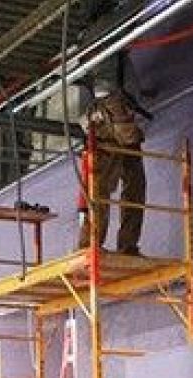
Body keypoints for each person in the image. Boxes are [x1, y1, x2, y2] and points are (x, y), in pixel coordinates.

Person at [76, 78, 147, 256]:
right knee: (101, 192)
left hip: (113, 136)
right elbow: (128, 134)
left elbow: (129, 136)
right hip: (105, 139)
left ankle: (124, 245)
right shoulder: (108, 110)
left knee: (133, 191)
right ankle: (92, 245)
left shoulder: (114, 110)